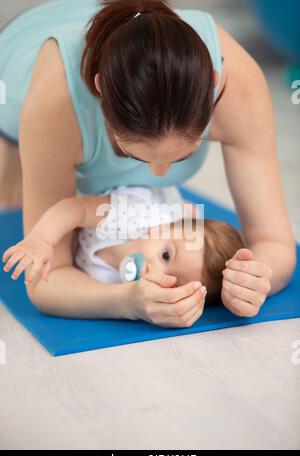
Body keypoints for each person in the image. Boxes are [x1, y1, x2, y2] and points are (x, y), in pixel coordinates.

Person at [0, 0, 295, 326]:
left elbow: (274, 243)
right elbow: (45, 279)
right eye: (132, 155)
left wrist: (255, 278)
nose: (159, 175)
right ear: (101, 93)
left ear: (211, 85)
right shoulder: (53, 102)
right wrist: (127, 303)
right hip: (16, 58)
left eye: (182, 156)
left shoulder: (237, 84)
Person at [2, 185, 245, 326]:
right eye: (166, 255)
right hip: (111, 192)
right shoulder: (130, 217)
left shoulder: (129, 285)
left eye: (173, 282)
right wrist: (43, 239)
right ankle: (179, 205)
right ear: (159, 227)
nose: (156, 273)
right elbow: (73, 208)